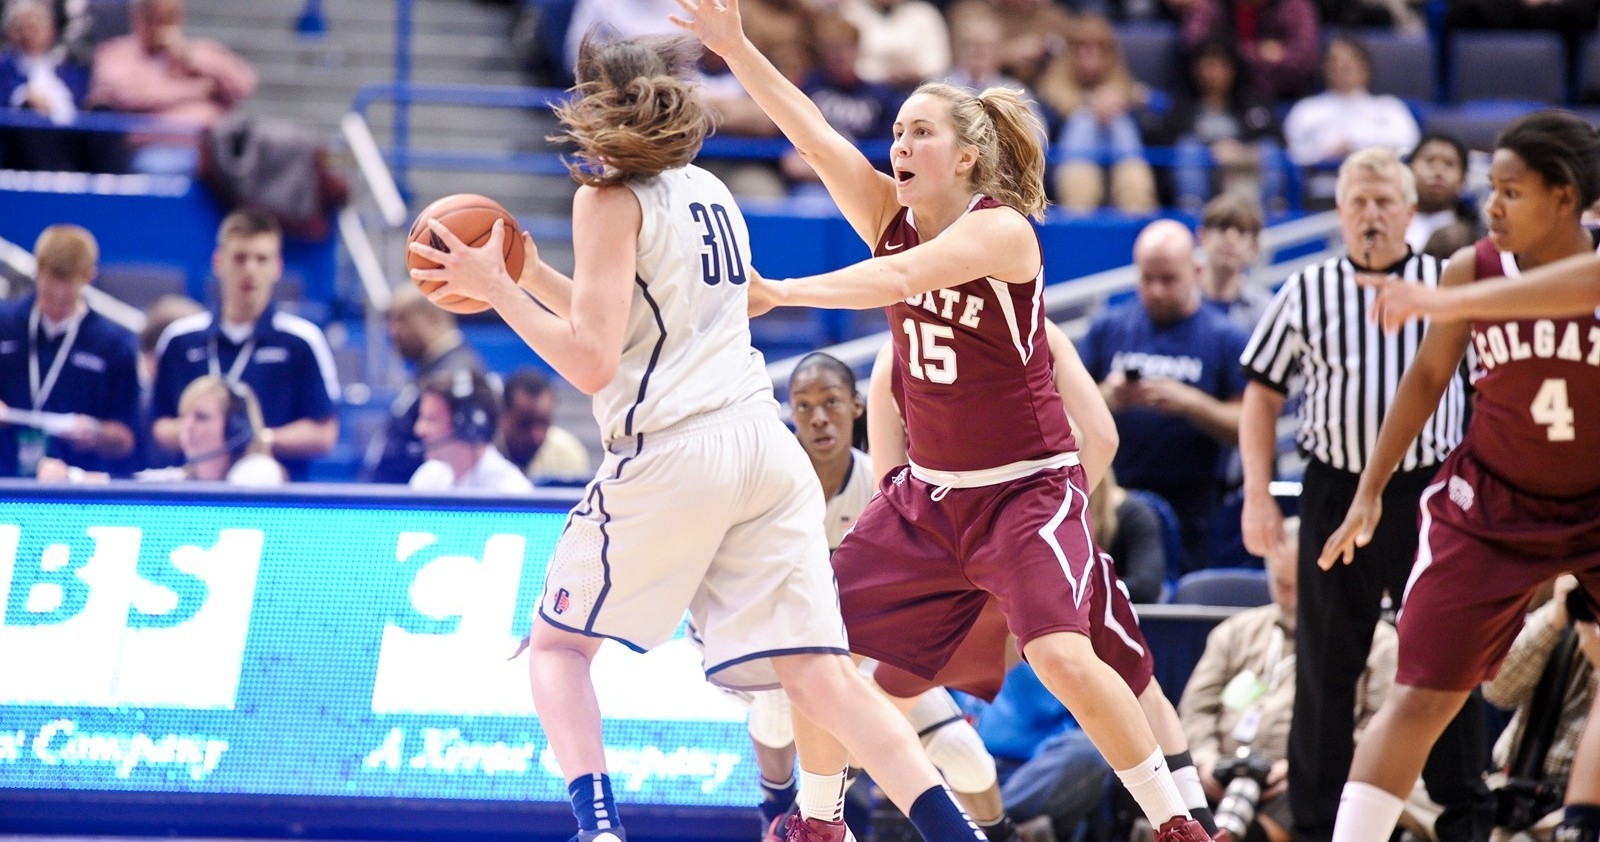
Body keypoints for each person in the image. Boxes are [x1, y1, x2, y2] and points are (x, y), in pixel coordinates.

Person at [409, 30, 990, 842]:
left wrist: (498, 290)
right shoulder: (710, 188)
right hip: (762, 444)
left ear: (589, 105)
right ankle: (955, 835)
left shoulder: (604, 199)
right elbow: (643, 316)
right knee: (823, 677)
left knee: (555, 650)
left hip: (677, 449)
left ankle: (600, 831)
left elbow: (590, 360)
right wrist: (535, 276)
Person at [674, 1, 1211, 838]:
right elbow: (813, 137)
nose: (898, 146)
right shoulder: (891, 215)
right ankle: (819, 823)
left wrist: (781, 291)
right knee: (814, 649)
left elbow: (897, 283)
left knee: (1065, 655)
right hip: (931, 500)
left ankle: (1179, 824)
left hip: (1026, 491)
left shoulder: (1001, 232)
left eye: (918, 132)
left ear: (966, 155)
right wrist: (736, 47)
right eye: (895, 133)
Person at [1316, 110, 1600, 842]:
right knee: (1422, 695)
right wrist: (1370, 489)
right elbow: (1426, 378)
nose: (1492, 206)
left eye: (1511, 190)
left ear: (1564, 197)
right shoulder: (1471, 264)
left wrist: (1450, 303)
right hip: (1492, 506)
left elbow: (1581, 289)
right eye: (1490, 190)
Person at [868, 321, 1223, 838]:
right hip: (1042, 543)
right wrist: (1049, 527)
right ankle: (1194, 825)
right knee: (1136, 684)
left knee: (869, 707)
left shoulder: (893, 354)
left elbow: (891, 488)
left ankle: (818, 811)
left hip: (949, 561)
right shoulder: (1031, 325)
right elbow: (1101, 436)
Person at [1237, 146, 1484, 842]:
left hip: (1429, 492)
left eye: (1384, 202)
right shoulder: (1306, 289)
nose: (1371, 215)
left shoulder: (1447, 283)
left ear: (1410, 210)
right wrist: (1258, 493)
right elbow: (1260, 396)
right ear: (1339, 213)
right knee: (1325, 663)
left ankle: (1463, 816)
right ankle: (1318, 825)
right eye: (1358, 203)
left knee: (1446, 654)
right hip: (1331, 489)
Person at [746, 352, 1018, 841]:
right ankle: (775, 810)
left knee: (965, 755)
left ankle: (1002, 834)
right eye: (803, 407)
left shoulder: (886, 483)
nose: (818, 418)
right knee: (776, 700)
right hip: (790, 656)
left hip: (875, 655)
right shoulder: (769, 487)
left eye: (829, 402)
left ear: (855, 407)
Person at [1178, 517, 1400, 842]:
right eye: (1283, 586)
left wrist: (1302, 768)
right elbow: (1196, 710)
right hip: (1222, 772)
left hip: (1313, 780)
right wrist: (1205, 761)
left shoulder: (1377, 642)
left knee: (1306, 800)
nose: (1295, 600)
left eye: (1304, 586)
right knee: (1158, 787)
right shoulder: (1234, 633)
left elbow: (1377, 731)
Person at [1082, 219, 1249, 572]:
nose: (1156, 290)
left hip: (1195, 505)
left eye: (1169, 279)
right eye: (1147, 279)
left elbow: (1247, 425)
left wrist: (1188, 403)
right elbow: (1063, 412)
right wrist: (1108, 397)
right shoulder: (1108, 328)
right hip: (1114, 500)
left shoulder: (1225, 337)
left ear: (1196, 271)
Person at [151, 210, 341, 482]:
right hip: (193, 489)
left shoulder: (301, 341)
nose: (250, 269)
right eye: (240, 258)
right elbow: (158, 427)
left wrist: (255, 438)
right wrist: (205, 433)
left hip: (273, 492)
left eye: (261, 259)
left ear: (277, 267)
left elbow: (324, 435)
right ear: (219, 262)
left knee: (256, 474)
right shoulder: (180, 340)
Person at [0, 224, 139, 478]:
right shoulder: (4, 324)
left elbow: (127, 439)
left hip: (76, 488)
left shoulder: (114, 344)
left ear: (89, 276)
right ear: (37, 269)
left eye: (68, 287)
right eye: (50, 284)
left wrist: (96, 432)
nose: (58, 294)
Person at [1480, 575, 1598, 842]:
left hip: (1580, 806)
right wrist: (1555, 617)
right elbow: (1498, 691)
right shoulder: (1576, 605)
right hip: (1517, 792)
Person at [86, 0, 258, 175]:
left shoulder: (198, 51)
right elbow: (128, 95)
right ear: (137, 17)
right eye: (152, 17)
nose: (160, 27)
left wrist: (189, 57)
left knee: (253, 167)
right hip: (156, 146)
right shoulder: (115, 54)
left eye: (168, 17)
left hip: (214, 147)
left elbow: (243, 84)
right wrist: (197, 90)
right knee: (164, 166)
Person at [38, 375, 286, 486]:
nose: (186, 428)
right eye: (183, 417)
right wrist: (73, 477)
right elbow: (128, 484)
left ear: (237, 430)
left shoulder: (258, 471)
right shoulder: (184, 478)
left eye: (201, 417)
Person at [365, 284, 485, 484]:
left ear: (433, 318)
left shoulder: (458, 375)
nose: (392, 331)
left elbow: (460, 454)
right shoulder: (430, 368)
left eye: (402, 320)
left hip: (421, 506)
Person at [1039, 13, 1157, 214]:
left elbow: (1156, 126)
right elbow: (1045, 129)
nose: (1090, 54)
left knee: (1119, 121)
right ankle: (1078, 208)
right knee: (1084, 120)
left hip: (1115, 163)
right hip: (1065, 167)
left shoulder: (1126, 91)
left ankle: (1137, 205)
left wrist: (1128, 102)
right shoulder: (1050, 90)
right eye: (1082, 48)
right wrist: (1089, 104)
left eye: (1098, 48)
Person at [1282, 37, 1420, 208]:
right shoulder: (1306, 110)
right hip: (1323, 194)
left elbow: (1409, 144)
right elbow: (1293, 153)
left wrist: (1356, 145)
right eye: (1334, 62)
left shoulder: (1389, 108)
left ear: (1366, 67)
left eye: (1350, 62)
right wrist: (1324, 152)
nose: (1342, 67)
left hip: (1379, 191)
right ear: (1325, 68)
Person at [1156, 38, 1284, 215]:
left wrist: (1244, 154)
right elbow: (1168, 148)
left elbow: (1278, 142)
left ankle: (1273, 213)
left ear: (1232, 69)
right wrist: (1212, 152)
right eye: (1206, 66)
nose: (1211, 74)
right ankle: (1191, 213)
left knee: (1269, 151)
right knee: (1189, 149)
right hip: (1205, 175)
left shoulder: (1251, 102)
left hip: (1245, 173)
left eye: (1218, 66)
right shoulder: (1182, 108)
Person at [0, 0, 95, 172]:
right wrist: (25, 99)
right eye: (23, 26)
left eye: (37, 25)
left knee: (102, 113)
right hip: (21, 148)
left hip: (69, 141)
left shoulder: (70, 69)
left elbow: (84, 104)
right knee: (29, 111)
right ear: (11, 31)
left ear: (51, 30)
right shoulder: (4, 68)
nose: (30, 33)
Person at [407, 369, 533, 494]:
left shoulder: (512, 490)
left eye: (431, 419)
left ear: (468, 426)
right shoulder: (428, 477)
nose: (419, 429)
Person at [1178, 0, 1320, 102]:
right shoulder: (1213, 5)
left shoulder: (1294, 6)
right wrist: (1258, 52)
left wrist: (1229, 55)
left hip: (1284, 95)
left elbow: (1303, 59)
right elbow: (1194, 42)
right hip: (1222, 98)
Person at [496, 368, 592, 484]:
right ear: (503, 415)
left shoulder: (567, 455)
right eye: (525, 423)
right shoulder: (479, 452)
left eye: (544, 422)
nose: (536, 435)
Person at [1196, 192, 1271, 334]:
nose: (1230, 238)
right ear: (1202, 236)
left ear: (1254, 247)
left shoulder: (1264, 309)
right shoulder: (1180, 299)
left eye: (1242, 232)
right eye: (1222, 228)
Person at [1406, 133, 1484, 261]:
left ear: (1463, 179)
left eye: (1449, 164)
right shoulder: (1390, 220)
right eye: (1429, 161)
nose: (1438, 172)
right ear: (1409, 169)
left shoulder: (1472, 235)